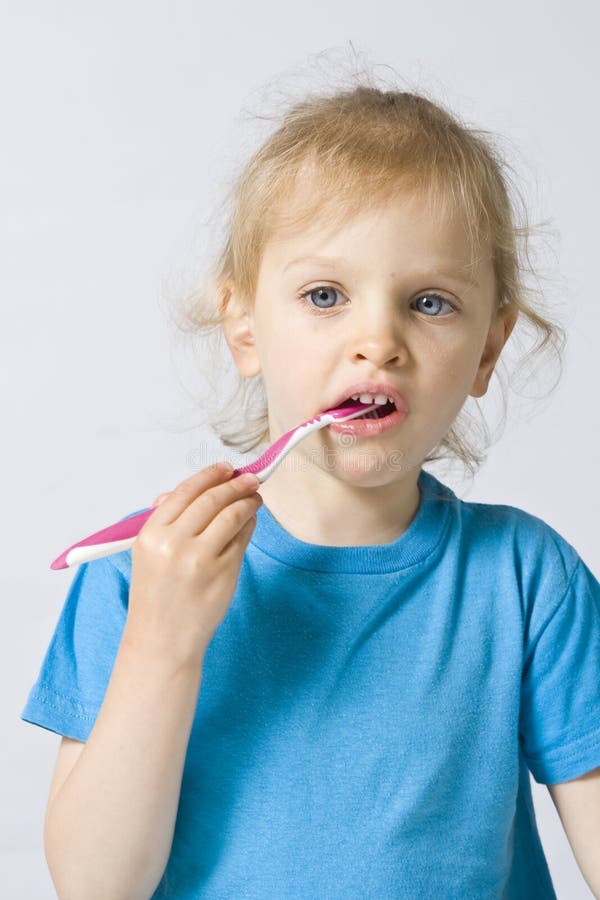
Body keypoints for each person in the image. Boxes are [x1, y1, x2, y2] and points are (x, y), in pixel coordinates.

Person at [21, 75, 600, 900]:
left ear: (487, 351)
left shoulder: (527, 580)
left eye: (429, 302)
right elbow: (94, 886)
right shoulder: (139, 578)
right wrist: (164, 643)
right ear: (244, 328)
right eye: (325, 295)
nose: (378, 341)